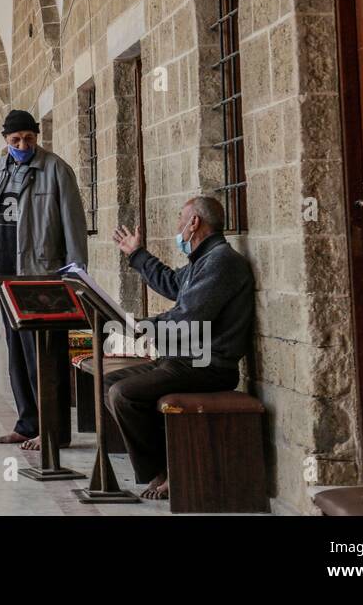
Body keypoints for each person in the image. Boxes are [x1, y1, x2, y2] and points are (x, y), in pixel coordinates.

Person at [107, 195, 255, 499]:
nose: (178, 226)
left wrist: (140, 327)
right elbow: (172, 283)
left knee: (124, 393)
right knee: (109, 381)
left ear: (194, 222)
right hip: (181, 361)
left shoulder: (222, 262)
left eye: (179, 219)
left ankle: (172, 469)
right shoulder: (203, 260)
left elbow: (187, 317)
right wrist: (137, 254)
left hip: (208, 366)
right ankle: (160, 469)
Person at [0, 109, 88, 451]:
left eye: (29, 138)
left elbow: (73, 227)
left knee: (46, 356)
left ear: (37, 138)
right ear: (5, 141)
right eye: (16, 140)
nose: (23, 144)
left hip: (43, 278)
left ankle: (53, 431)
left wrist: (76, 278)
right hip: (7, 277)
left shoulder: (56, 169)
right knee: (17, 355)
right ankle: (27, 424)